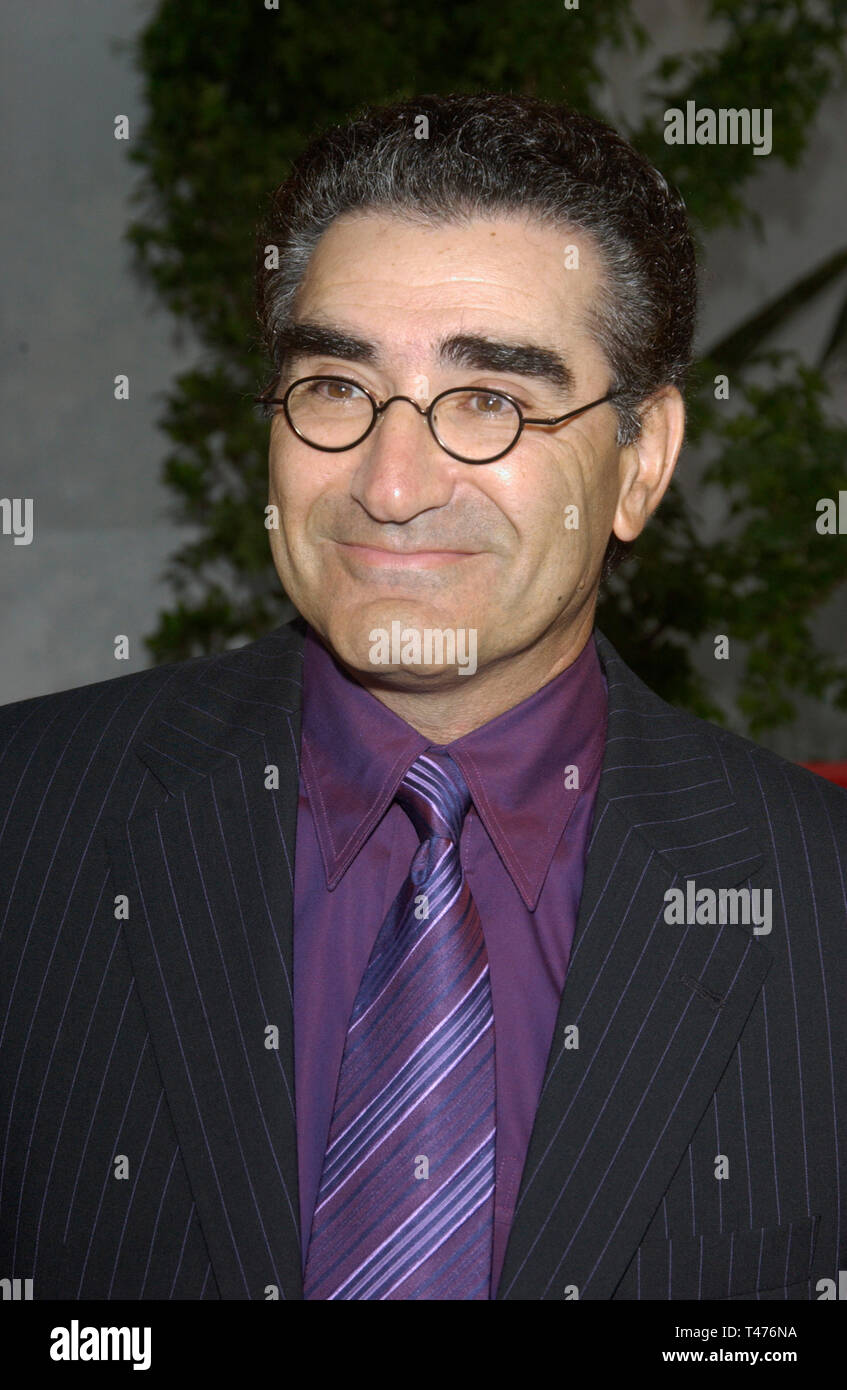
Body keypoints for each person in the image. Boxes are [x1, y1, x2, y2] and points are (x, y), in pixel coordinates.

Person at [1, 93, 844, 1302]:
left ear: (640, 463)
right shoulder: (26, 829)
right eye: (337, 386)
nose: (391, 485)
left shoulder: (818, 904)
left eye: (490, 400)